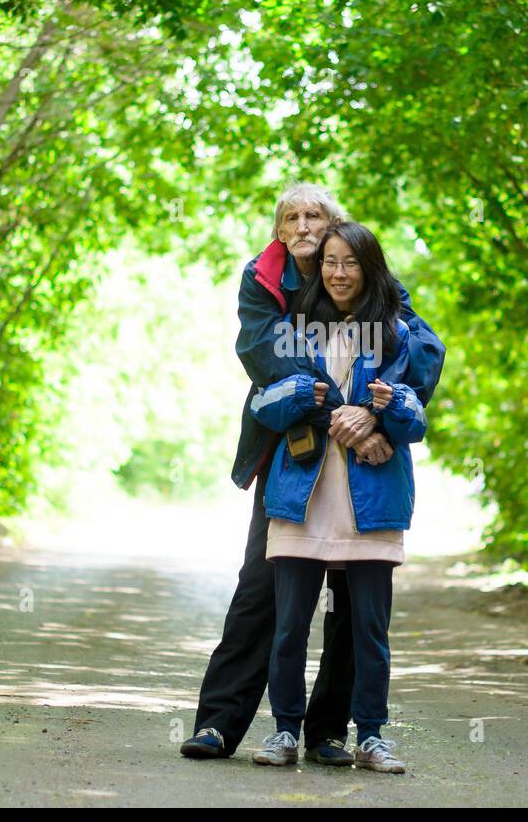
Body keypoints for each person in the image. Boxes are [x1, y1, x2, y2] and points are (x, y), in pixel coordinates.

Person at [180, 183, 444, 765]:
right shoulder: (264, 277)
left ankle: (328, 732)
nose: (303, 226)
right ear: (280, 230)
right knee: (262, 589)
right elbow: (264, 353)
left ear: (334, 225)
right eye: (291, 217)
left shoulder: (356, 268)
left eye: (314, 217)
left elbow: (419, 343)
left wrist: (379, 417)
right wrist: (345, 412)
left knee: (353, 599)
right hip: (291, 450)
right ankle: (220, 724)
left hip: (361, 455)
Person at [247, 221, 426, 772]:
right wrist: (307, 395)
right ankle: (283, 732)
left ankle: (371, 735)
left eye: (350, 262)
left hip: (370, 503)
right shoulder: (293, 329)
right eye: (329, 261)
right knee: (289, 627)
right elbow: (262, 405)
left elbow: (416, 417)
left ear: (370, 267)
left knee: (369, 630)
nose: (338, 272)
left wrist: (380, 409)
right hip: (302, 494)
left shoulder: (399, 332)